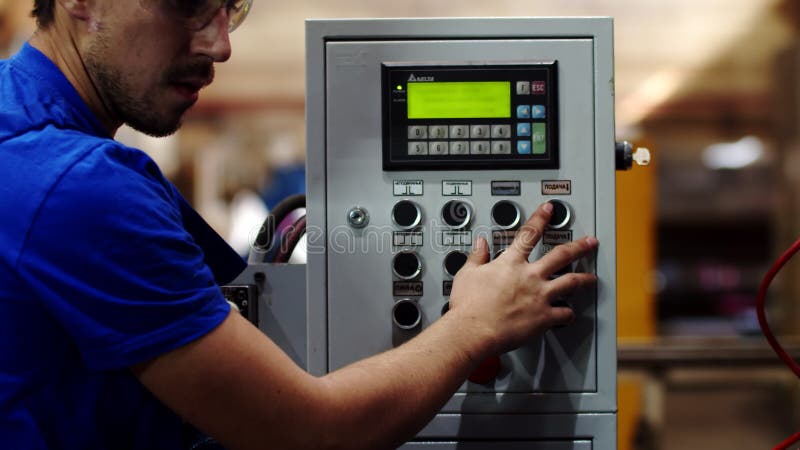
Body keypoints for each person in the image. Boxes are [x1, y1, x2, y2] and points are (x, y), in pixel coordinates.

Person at [0, 1, 599, 449]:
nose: (219, 45)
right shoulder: (76, 185)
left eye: (229, 9)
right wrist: (475, 326)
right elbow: (311, 433)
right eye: (186, 5)